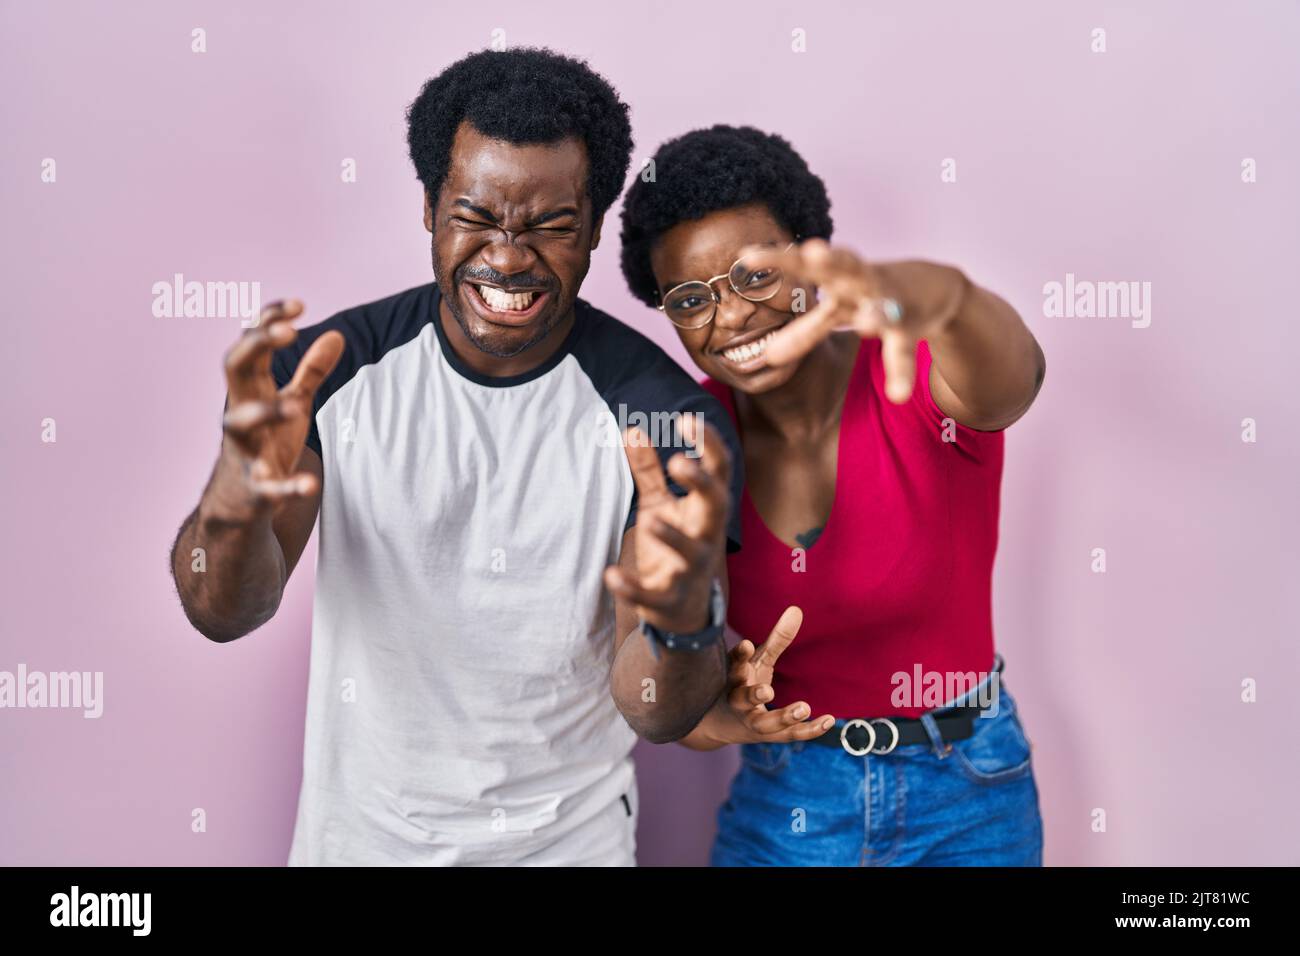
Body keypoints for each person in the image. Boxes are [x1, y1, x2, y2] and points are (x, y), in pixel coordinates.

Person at [168, 50, 745, 866]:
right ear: (431, 208)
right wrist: (232, 506)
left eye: (549, 225)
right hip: (357, 846)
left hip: (567, 849)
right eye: (475, 216)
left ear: (593, 232)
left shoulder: (666, 420)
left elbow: (656, 709)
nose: (508, 256)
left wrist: (686, 616)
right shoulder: (320, 377)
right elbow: (224, 612)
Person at [619, 125, 1048, 866]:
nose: (732, 315)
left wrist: (942, 298)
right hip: (789, 799)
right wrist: (718, 716)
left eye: (757, 274)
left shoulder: (913, 368)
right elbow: (656, 699)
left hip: (969, 790)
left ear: (811, 251)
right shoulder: (682, 438)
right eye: (690, 297)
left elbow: (1017, 382)